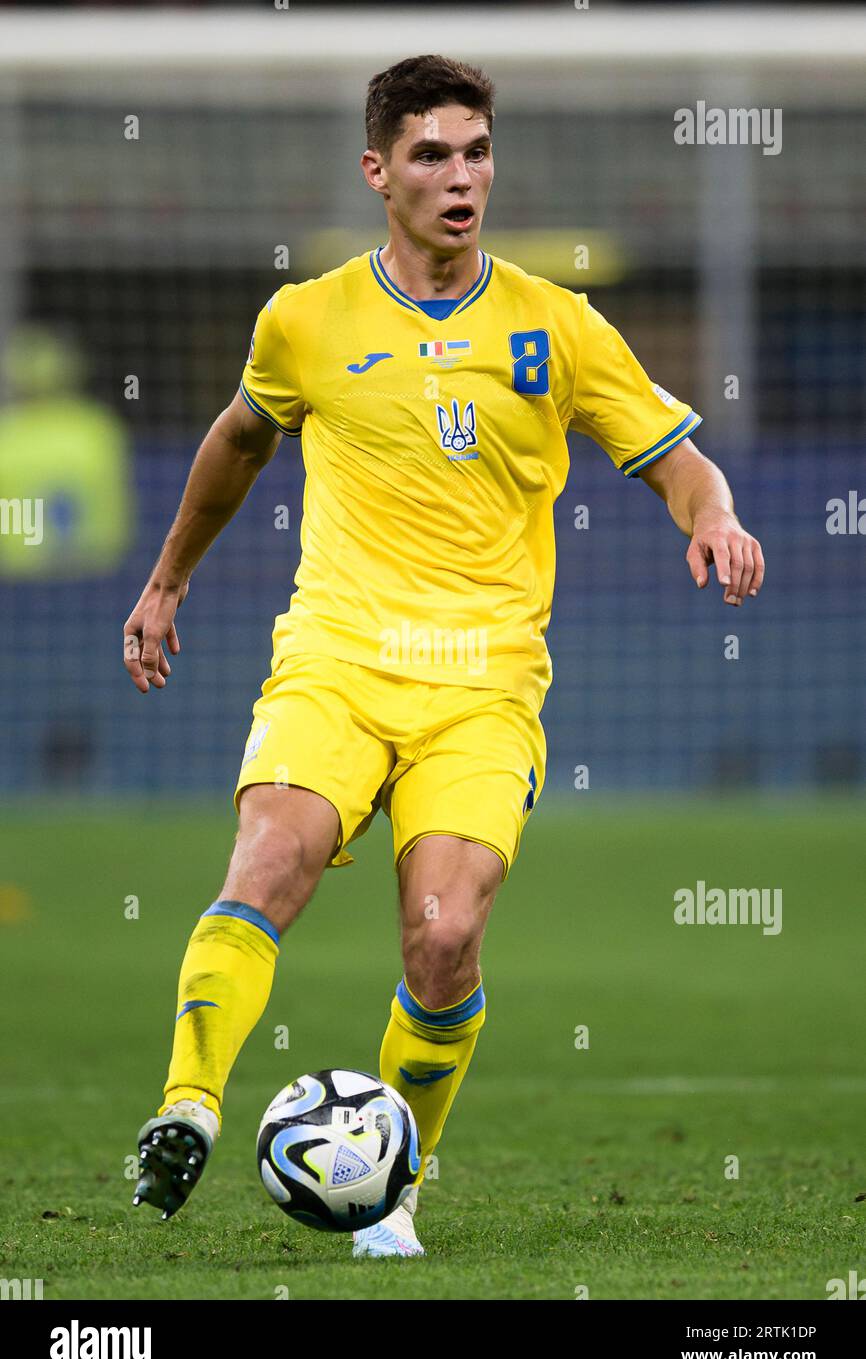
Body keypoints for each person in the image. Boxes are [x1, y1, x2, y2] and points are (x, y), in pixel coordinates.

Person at [124, 54, 764, 1257]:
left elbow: (677, 456)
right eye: (429, 155)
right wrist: (166, 582)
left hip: (482, 685)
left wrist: (714, 517)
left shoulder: (555, 325)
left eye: (475, 152)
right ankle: (189, 1105)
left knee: (444, 931)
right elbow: (235, 442)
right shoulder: (303, 321)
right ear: (378, 172)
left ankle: (390, 1193)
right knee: (269, 857)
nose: (459, 177)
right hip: (337, 656)